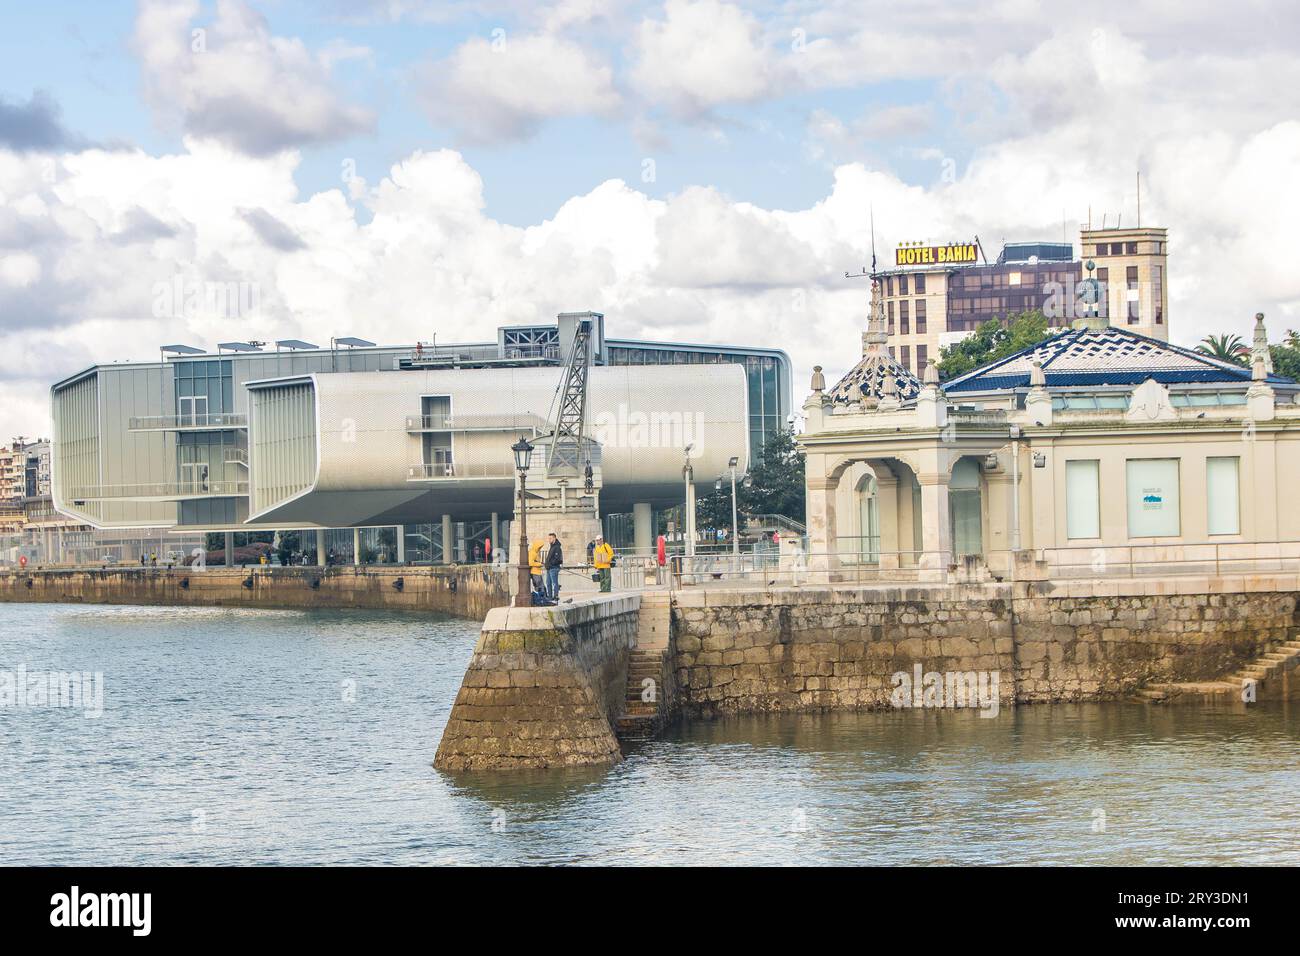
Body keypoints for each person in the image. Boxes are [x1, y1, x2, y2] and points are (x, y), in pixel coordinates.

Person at [543, 532, 563, 599]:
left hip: (554, 568)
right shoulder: (552, 547)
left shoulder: (557, 547)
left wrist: (550, 564)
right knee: (548, 583)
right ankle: (550, 596)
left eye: (550, 538)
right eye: (548, 538)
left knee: (554, 583)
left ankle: (555, 596)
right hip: (549, 568)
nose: (549, 540)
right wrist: (547, 564)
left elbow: (557, 559)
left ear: (554, 538)